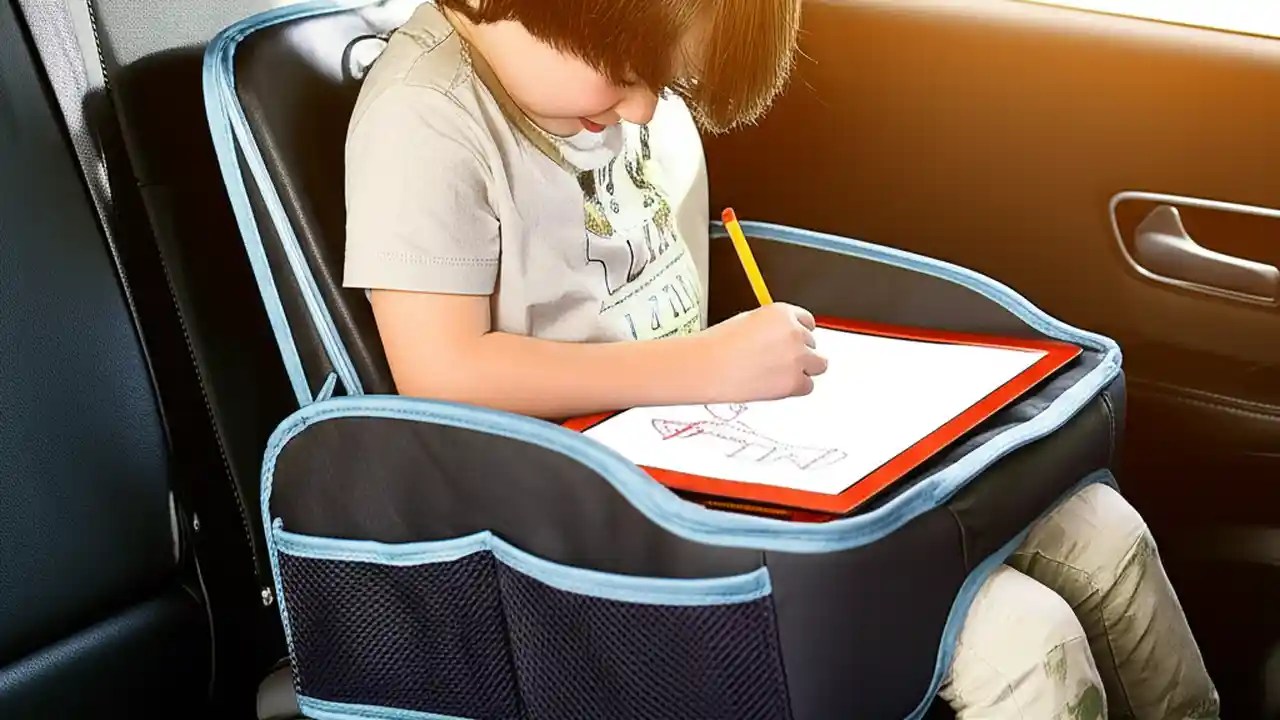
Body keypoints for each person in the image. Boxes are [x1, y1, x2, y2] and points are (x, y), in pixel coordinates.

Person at [341, 1, 1220, 716]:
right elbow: (441, 373)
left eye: (667, 80)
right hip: (601, 517)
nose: (647, 108)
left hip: (715, 451)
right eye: (631, 73)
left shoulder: (586, 78)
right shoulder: (425, 121)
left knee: (1107, 538)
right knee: (1028, 647)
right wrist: (695, 368)